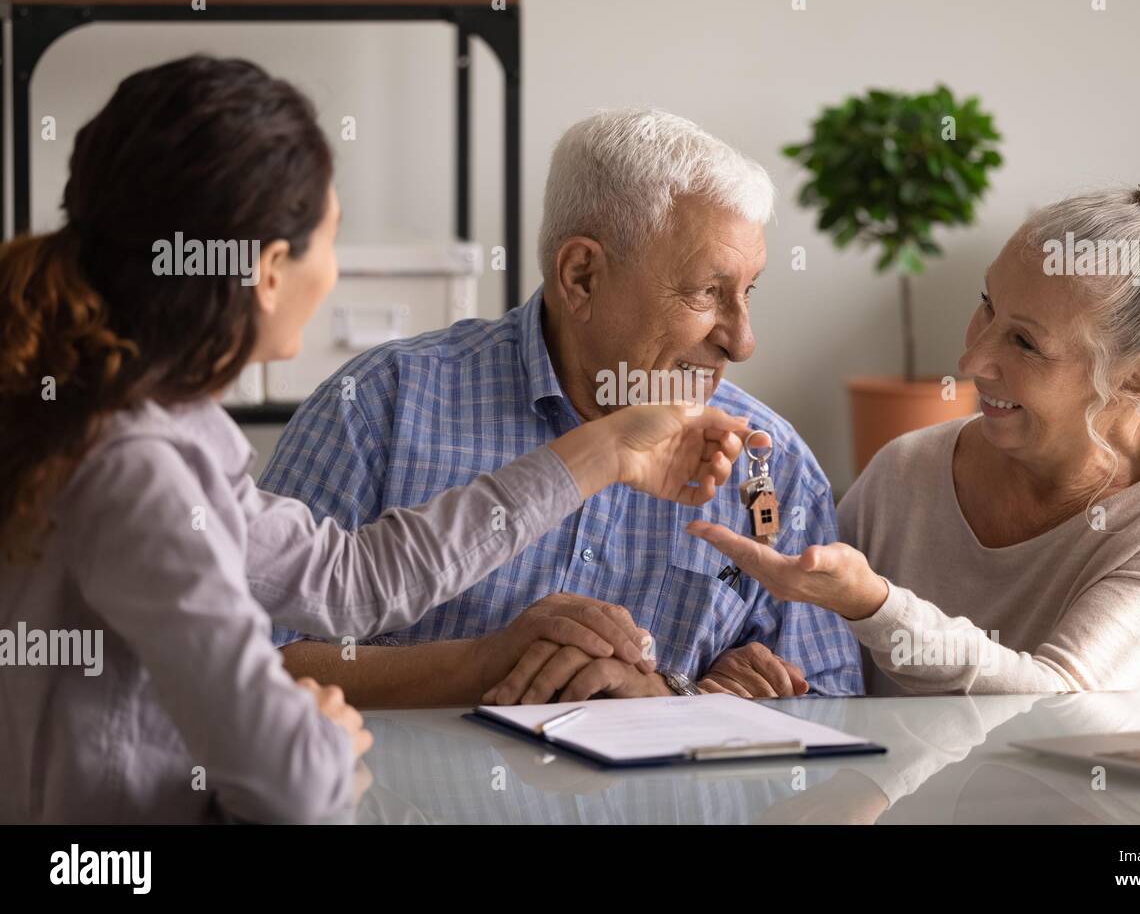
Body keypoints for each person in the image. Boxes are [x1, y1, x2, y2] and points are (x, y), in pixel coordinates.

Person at [0, 57, 748, 823]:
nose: (334, 271)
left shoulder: (164, 427)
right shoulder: (140, 471)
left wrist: (607, 450)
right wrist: (320, 735)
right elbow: (289, 780)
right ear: (267, 273)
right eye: (332, 238)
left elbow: (352, 580)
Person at [264, 108, 865, 704]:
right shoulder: (378, 407)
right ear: (581, 277)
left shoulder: (772, 466)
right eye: (707, 293)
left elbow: (838, 720)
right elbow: (243, 663)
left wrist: (682, 702)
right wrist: (477, 666)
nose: (743, 341)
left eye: (747, 292)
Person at [689, 144, 1140, 695]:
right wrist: (746, 668)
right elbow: (816, 667)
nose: (972, 360)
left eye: (1026, 344)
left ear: (1134, 379)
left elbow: (1060, 704)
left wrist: (874, 605)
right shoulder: (906, 472)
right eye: (987, 307)